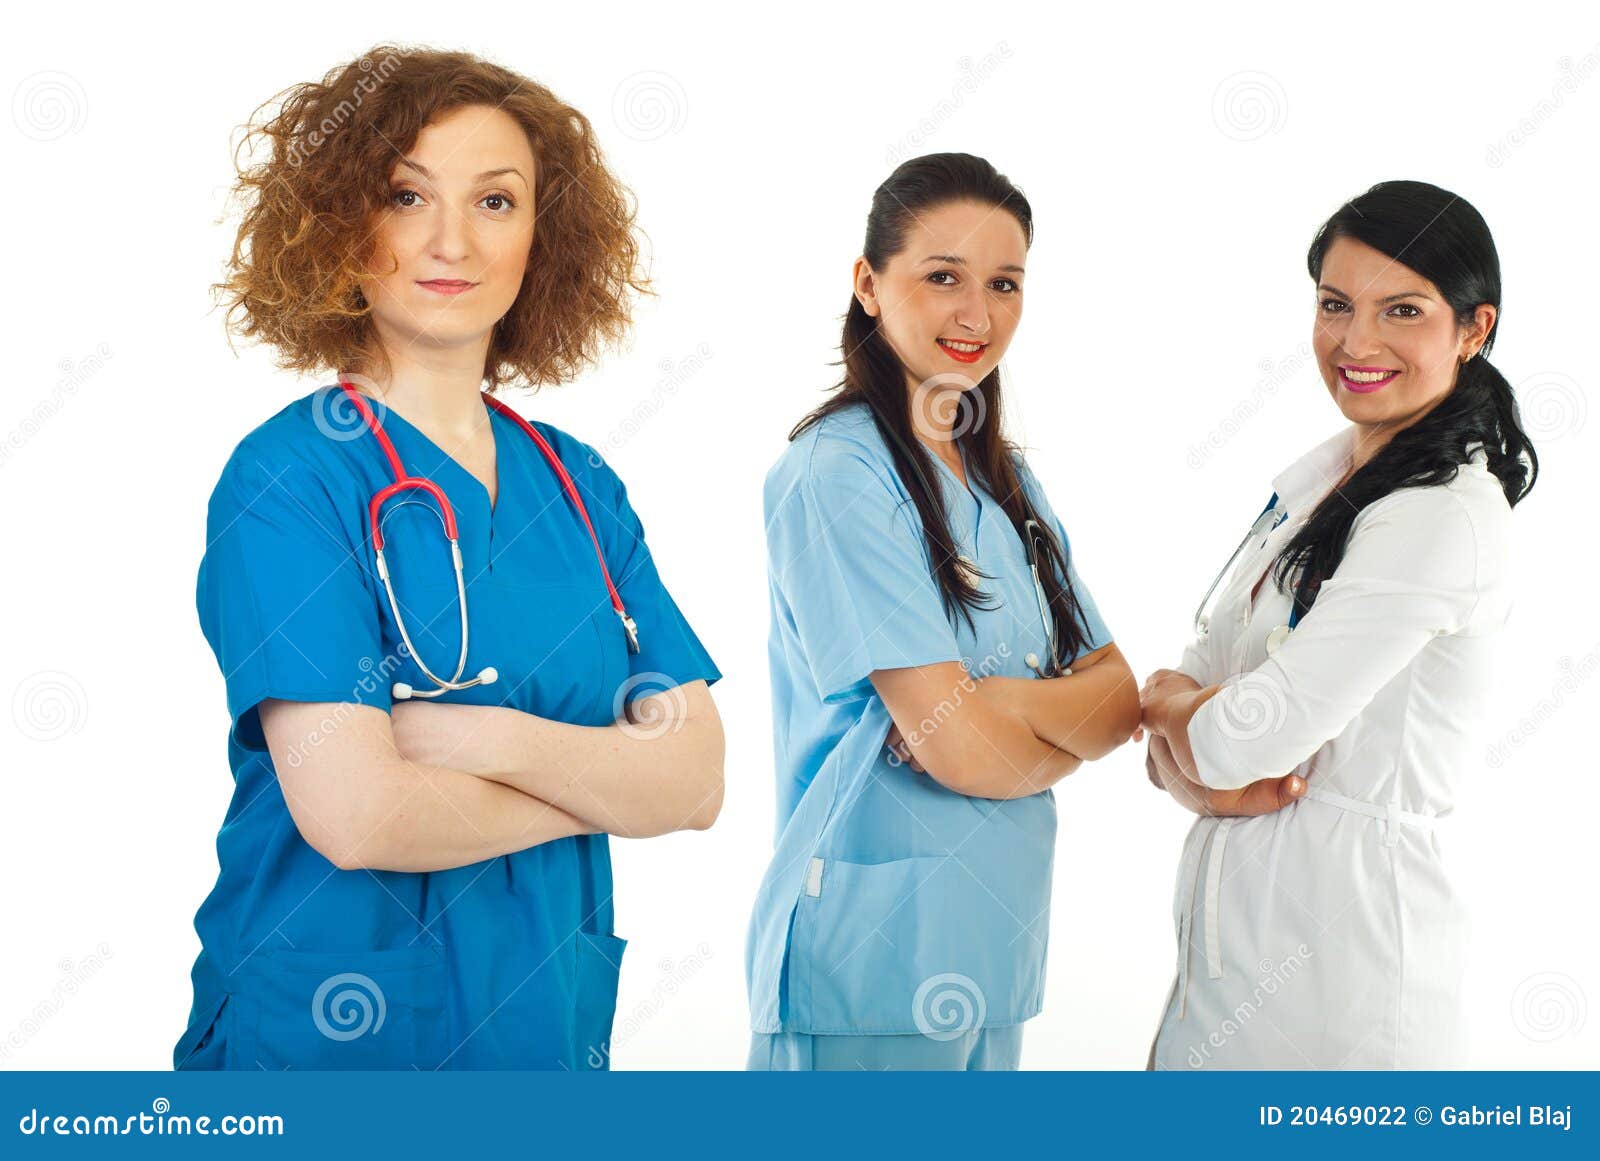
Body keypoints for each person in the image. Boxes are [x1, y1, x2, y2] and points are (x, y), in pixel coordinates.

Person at [173, 46, 723, 1071]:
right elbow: (357, 814)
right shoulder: (289, 480)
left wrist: (486, 738)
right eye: (405, 194)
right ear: (343, 226)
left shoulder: (577, 484)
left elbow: (694, 784)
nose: (452, 240)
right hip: (329, 1042)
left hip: (541, 1027)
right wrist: (606, 783)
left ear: (542, 240)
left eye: (497, 202)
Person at [744, 153, 1141, 1071]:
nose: (978, 314)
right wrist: (1033, 719)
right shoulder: (836, 474)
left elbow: (1119, 699)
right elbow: (958, 748)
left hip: (993, 941)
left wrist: (986, 704)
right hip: (868, 956)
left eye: (1005, 283)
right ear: (869, 285)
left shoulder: (1008, 480)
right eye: (943, 278)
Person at [1140, 180, 1537, 1069]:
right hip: (1228, 975)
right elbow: (1210, 693)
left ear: (1474, 328)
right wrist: (1191, 742)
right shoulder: (1318, 484)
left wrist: (1171, 710)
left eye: (1402, 310)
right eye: (1335, 305)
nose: (1357, 343)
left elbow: (1243, 735)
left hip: (1349, 995)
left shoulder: (1445, 515)